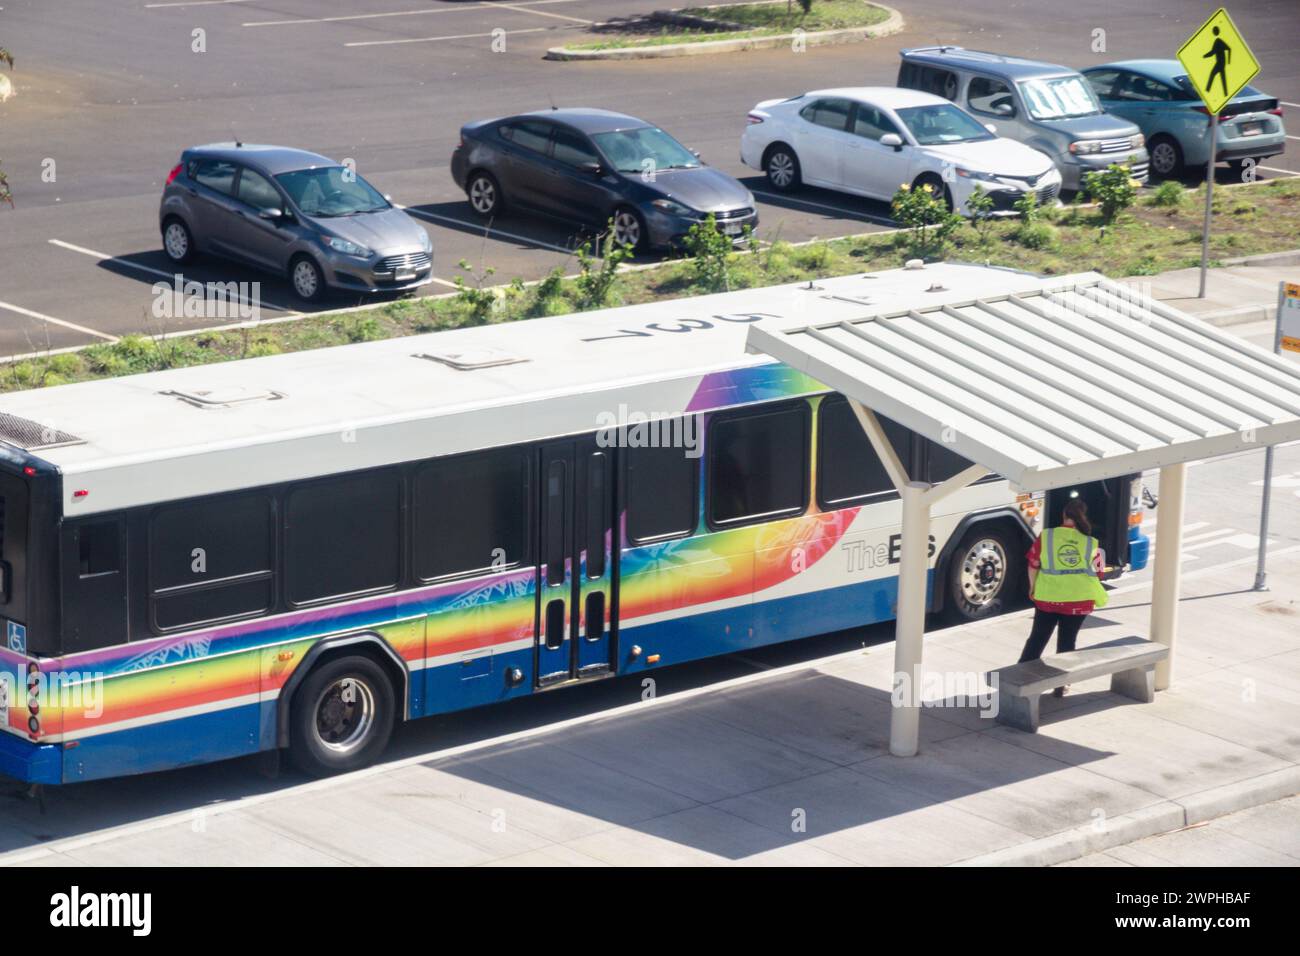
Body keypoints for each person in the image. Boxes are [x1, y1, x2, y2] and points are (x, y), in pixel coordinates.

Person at [1018, 499, 1110, 695]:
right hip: (1079, 601)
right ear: (1083, 517)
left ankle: (1020, 679)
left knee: (1037, 638)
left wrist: (1032, 588)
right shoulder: (1092, 543)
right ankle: (1061, 685)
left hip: (1048, 599)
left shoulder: (1047, 537)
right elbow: (1100, 572)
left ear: (1064, 516)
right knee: (1068, 641)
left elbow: (1033, 564)